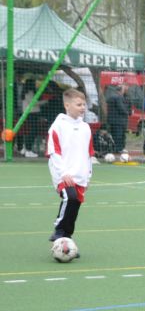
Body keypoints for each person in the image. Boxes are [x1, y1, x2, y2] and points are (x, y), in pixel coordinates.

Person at [47, 89, 93, 248]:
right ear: (67, 105)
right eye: (79, 105)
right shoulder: (57, 126)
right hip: (63, 174)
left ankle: (66, 239)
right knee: (70, 197)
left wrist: (88, 176)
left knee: (75, 205)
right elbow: (54, 152)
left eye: (84, 104)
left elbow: (89, 154)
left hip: (80, 175)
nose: (83, 108)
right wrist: (63, 173)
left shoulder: (86, 127)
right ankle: (59, 229)